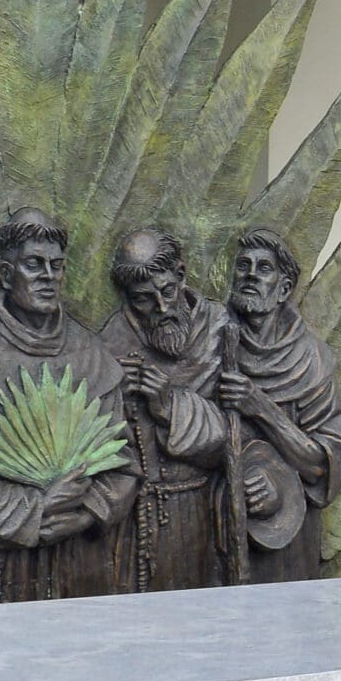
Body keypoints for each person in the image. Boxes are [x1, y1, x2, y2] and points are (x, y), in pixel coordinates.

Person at [0, 208, 138, 603]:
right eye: (34, 265)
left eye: (57, 266)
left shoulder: (90, 353)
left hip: (85, 560)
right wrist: (37, 508)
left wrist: (89, 512)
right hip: (7, 565)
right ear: (6, 275)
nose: (48, 277)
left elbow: (123, 462)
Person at [102, 230, 236, 592]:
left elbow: (241, 439)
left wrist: (167, 405)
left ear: (181, 274)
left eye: (167, 291)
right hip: (132, 520)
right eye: (144, 300)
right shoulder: (114, 339)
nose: (161, 308)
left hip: (198, 512)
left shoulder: (220, 332)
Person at [218, 227, 341, 582]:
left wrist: (259, 405)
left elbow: (321, 466)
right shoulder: (211, 342)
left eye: (263, 268)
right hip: (218, 524)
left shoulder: (313, 360)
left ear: (284, 289)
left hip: (288, 534)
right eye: (243, 266)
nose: (250, 276)